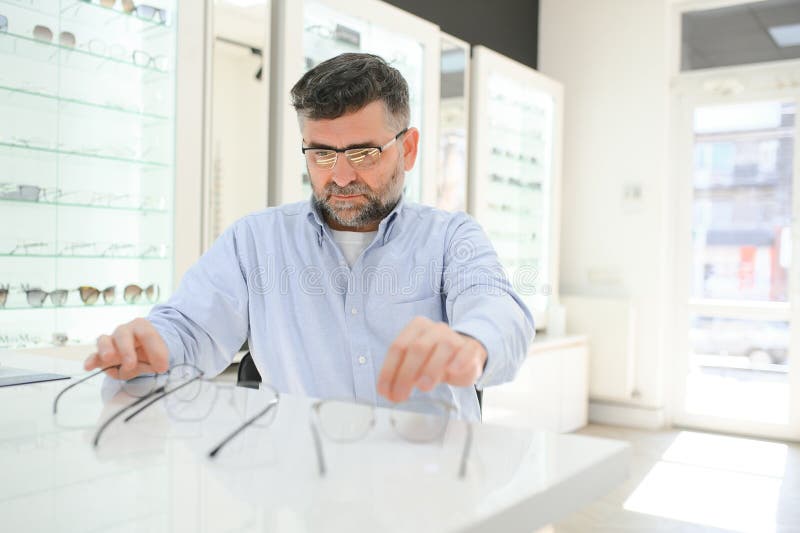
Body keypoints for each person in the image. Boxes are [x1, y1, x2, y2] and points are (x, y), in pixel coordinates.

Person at [84, 53, 534, 421]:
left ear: (409, 148)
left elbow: (499, 313)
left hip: (431, 483)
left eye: (363, 152)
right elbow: (189, 328)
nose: (339, 176)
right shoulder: (254, 242)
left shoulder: (450, 238)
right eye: (321, 153)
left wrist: (471, 344)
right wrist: (154, 347)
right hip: (303, 488)